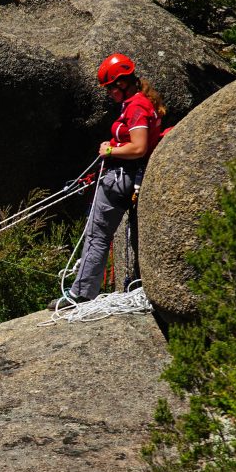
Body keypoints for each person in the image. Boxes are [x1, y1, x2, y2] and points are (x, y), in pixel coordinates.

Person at [49, 53, 166, 310]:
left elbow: (138, 147)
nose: (109, 92)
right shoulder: (141, 103)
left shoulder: (136, 106)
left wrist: (110, 151)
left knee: (96, 235)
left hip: (121, 177)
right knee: (99, 235)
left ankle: (80, 295)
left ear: (123, 82)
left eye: (111, 87)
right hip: (130, 176)